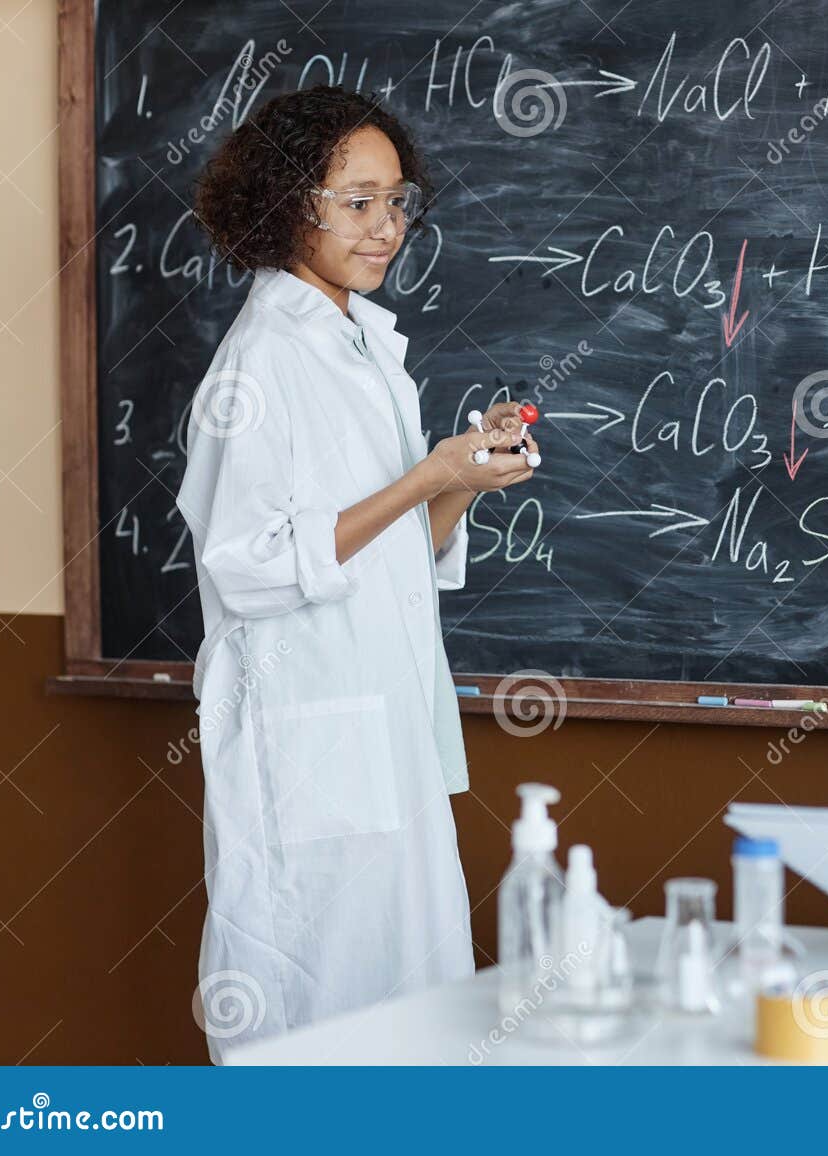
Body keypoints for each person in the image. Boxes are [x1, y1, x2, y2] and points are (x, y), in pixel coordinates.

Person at [176, 87, 537, 1061]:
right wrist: (426, 475)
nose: (386, 227)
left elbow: (392, 556)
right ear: (287, 204)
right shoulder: (259, 364)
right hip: (311, 749)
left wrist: (462, 481)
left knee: (411, 1011)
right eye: (358, 202)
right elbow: (249, 564)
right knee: (317, 1019)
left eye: (397, 201)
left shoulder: (364, 345)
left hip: (387, 739)